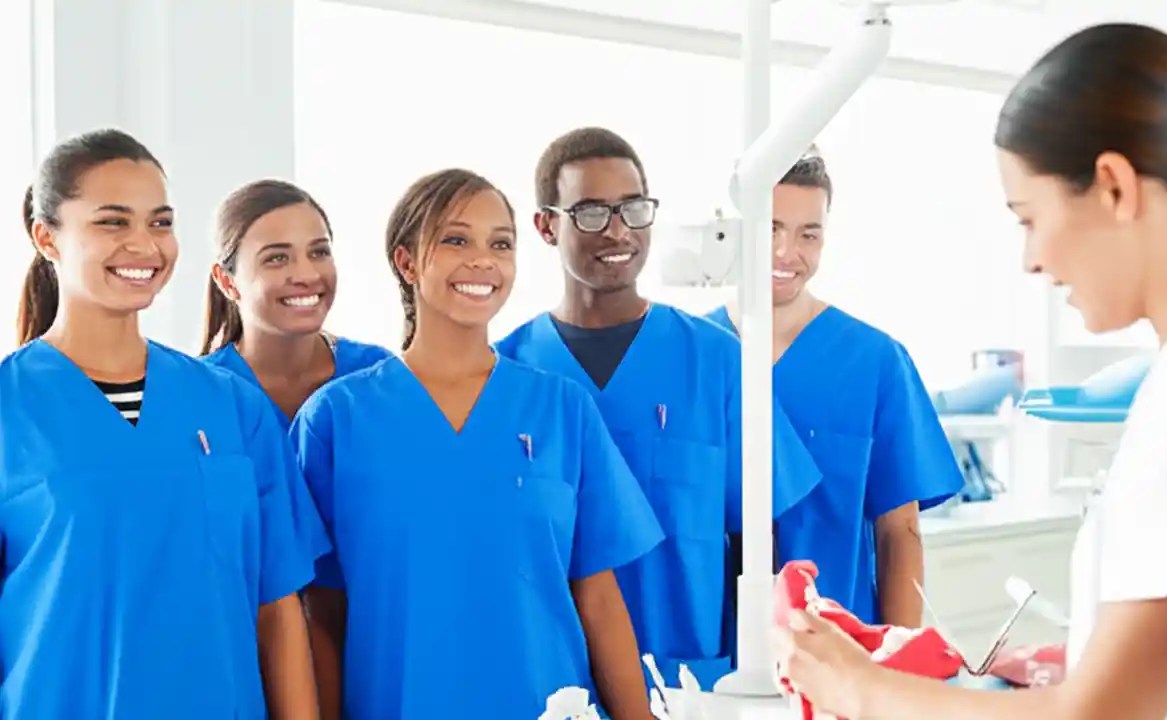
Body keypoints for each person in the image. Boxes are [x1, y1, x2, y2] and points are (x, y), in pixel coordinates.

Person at [775, 23, 1167, 719]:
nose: (1031, 261)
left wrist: (859, 689)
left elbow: (1097, 716)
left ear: (1112, 186)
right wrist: (1080, 664)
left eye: (1028, 218)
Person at [293, 168, 663, 719]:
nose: (483, 260)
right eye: (456, 239)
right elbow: (320, 611)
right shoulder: (338, 419)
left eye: (501, 244)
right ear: (407, 262)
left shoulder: (561, 409)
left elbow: (598, 594)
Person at [0, 129, 327, 718]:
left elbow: (278, 610)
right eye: (112, 222)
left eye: (160, 222)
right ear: (46, 237)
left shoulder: (232, 405)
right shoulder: (10, 406)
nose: (144, 245)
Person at [497, 126, 822, 687]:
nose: (618, 230)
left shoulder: (716, 361)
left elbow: (761, 537)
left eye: (632, 209)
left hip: (690, 679)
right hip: (554, 684)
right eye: (592, 212)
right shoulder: (508, 374)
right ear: (547, 226)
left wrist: (760, 668)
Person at [706, 150, 962, 628]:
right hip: (715, 658)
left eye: (809, 234)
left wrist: (894, 664)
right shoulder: (695, 356)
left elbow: (899, 533)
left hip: (841, 646)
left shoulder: (874, 360)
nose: (787, 253)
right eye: (771, 229)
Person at [200, 179, 392, 422]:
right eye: (277, 258)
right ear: (227, 282)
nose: (308, 275)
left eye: (319, 252)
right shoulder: (196, 391)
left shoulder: (379, 375)